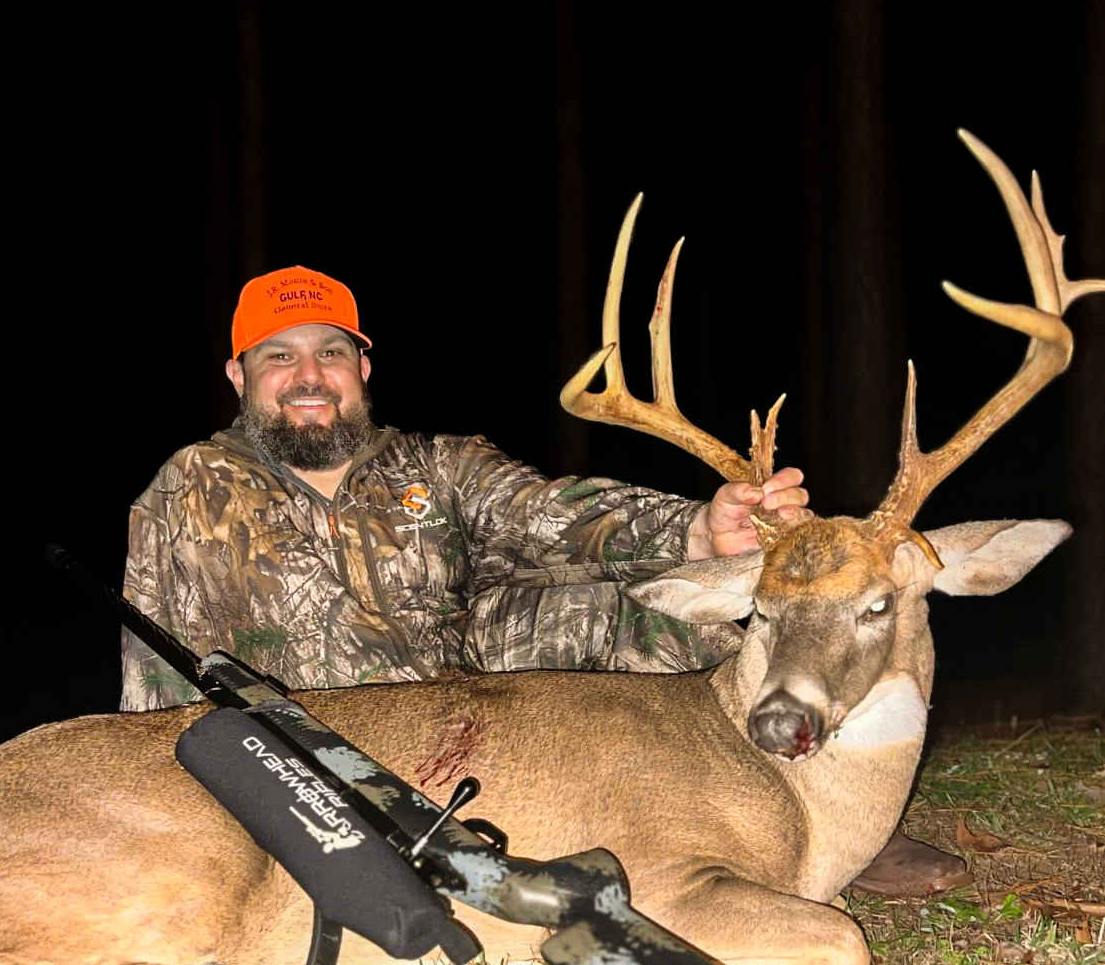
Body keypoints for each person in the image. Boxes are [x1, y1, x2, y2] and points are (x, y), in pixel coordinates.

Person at [121, 265, 967, 895]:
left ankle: (804, 814)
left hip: (461, 717)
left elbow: (556, 515)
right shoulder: (185, 491)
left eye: (330, 353)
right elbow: (150, 669)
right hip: (303, 751)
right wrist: (157, 785)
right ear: (240, 377)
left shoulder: (438, 466)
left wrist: (698, 529)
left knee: (683, 615)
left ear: (362, 368)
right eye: (280, 357)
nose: (309, 376)